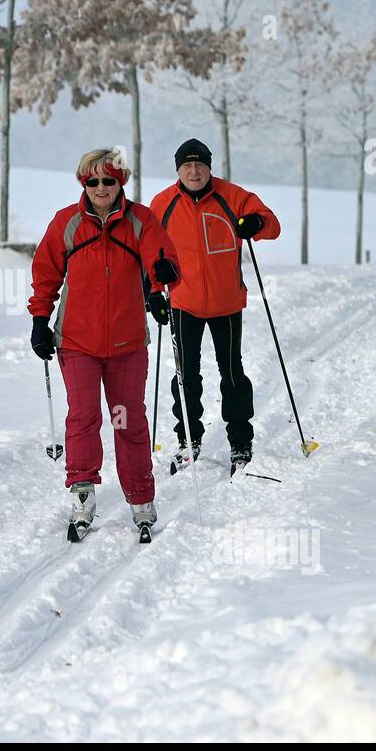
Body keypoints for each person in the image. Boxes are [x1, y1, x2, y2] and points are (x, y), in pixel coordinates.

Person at [29, 148, 181, 538]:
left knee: (125, 418)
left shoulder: (140, 220)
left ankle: (141, 500)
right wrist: (39, 320)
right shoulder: (67, 222)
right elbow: (46, 272)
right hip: (76, 341)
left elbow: (161, 256)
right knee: (83, 416)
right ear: (83, 182)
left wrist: (161, 279)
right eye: (92, 181)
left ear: (121, 183)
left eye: (108, 181)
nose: (100, 188)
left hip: (127, 342)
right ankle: (83, 496)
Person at [148, 138, 280, 474]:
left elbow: (271, 224)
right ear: (177, 169)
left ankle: (240, 443)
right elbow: (148, 253)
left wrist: (257, 224)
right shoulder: (162, 204)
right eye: (187, 166)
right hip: (182, 302)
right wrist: (153, 291)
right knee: (185, 377)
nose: (194, 171)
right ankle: (188, 440)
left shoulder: (232, 196)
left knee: (232, 373)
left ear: (209, 167)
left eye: (200, 165)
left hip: (226, 302)